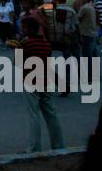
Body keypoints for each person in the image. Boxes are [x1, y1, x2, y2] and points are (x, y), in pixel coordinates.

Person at [10, 15, 65, 153]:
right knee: (51, 115)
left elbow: (16, 63)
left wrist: (17, 48)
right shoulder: (45, 44)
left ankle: (34, 148)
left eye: (23, 28)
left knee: (33, 115)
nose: (22, 30)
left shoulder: (26, 43)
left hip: (31, 82)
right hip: (45, 81)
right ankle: (58, 146)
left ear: (29, 29)